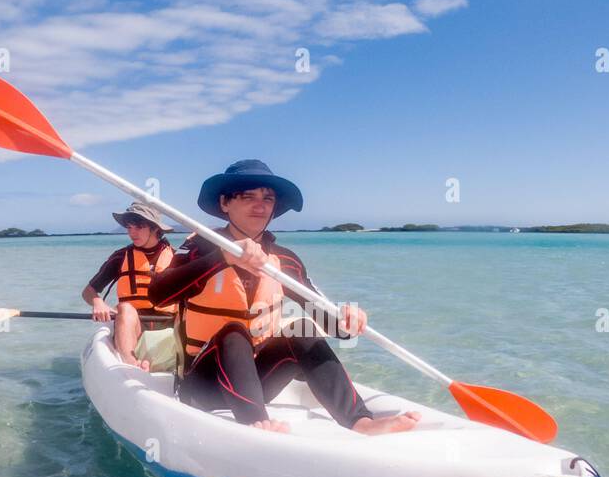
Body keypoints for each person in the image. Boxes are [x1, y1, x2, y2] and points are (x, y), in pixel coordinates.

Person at [148, 159, 420, 435]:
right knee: (233, 331)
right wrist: (222, 258)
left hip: (257, 382)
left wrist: (347, 321)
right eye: (248, 196)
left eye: (268, 198)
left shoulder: (285, 261)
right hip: (202, 385)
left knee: (300, 329)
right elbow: (158, 295)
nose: (261, 204)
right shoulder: (199, 248)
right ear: (224, 203)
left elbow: (324, 317)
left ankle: (360, 421)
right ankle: (256, 423)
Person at [80, 203, 179, 372]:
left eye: (139, 227)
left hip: (169, 329)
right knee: (124, 308)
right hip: (135, 327)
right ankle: (132, 366)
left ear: (155, 228)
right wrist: (98, 303)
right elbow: (88, 291)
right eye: (129, 227)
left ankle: (186, 366)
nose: (132, 233)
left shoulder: (178, 257)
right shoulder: (121, 257)